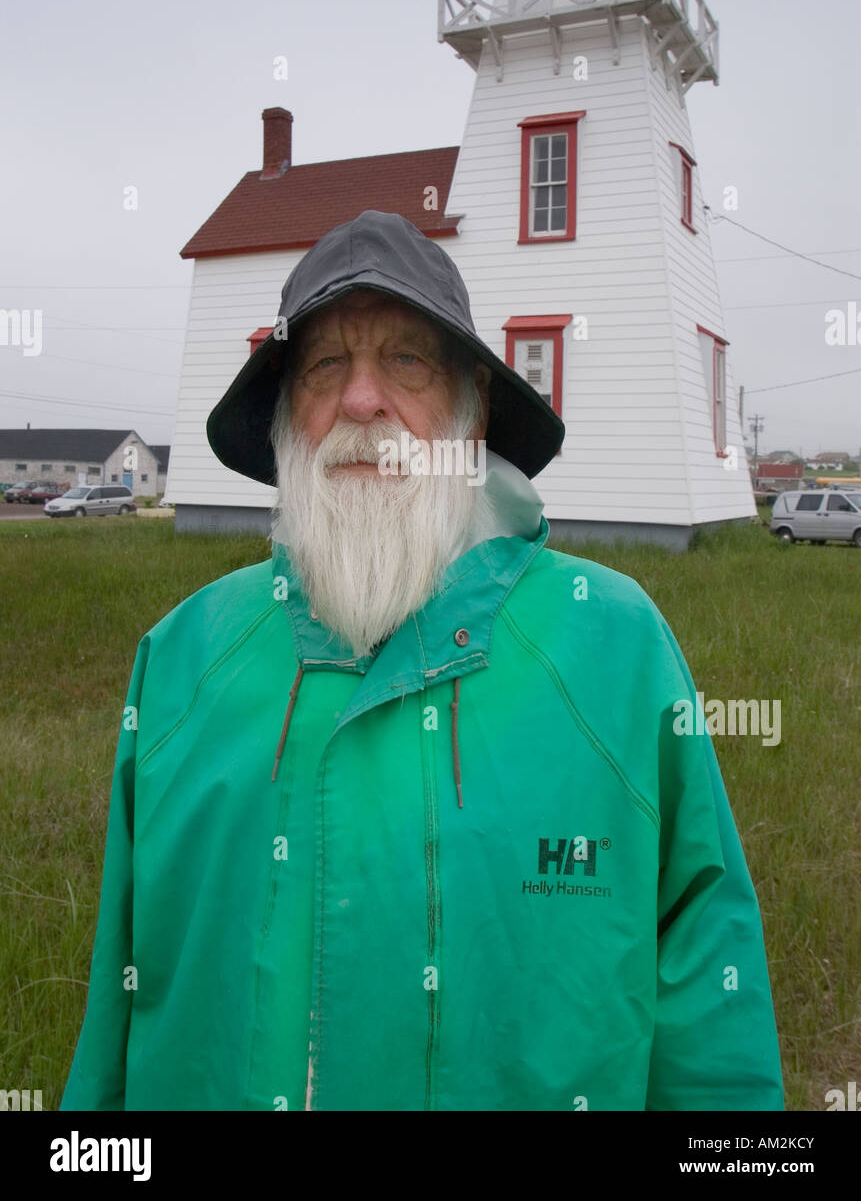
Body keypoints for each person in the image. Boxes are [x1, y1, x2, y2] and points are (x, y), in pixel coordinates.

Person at [61, 210, 784, 1111]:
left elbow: (714, 1029)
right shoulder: (178, 659)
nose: (362, 401)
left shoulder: (616, 646)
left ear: (471, 408)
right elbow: (116, 1018)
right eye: (326, 364)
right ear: (288, 413)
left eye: (406, 360)